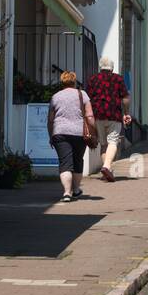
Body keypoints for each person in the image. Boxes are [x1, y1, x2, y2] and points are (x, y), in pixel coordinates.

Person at [48, 71, 96, 203]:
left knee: (65, 162)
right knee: (77, 161)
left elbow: (50, 120)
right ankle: (75, 190)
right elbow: (90, 116)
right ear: (74, 81)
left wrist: (51, 135)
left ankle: (66, 193)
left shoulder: (55, 97)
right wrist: (93, 130)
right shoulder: (82, 94)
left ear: (62, 82)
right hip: (78, 133)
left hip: (60, 132)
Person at [86, 57, 131, 182]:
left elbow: (87, 99)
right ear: (112, 68)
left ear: (100, 67)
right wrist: (126, 113)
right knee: (113, 141)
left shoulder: (93, 79)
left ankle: (108, 170)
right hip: (113, 115)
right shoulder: (118, 79)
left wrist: (88, 116)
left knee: (103, 144)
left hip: (97, 115)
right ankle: (106, 166)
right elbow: (125, 98)